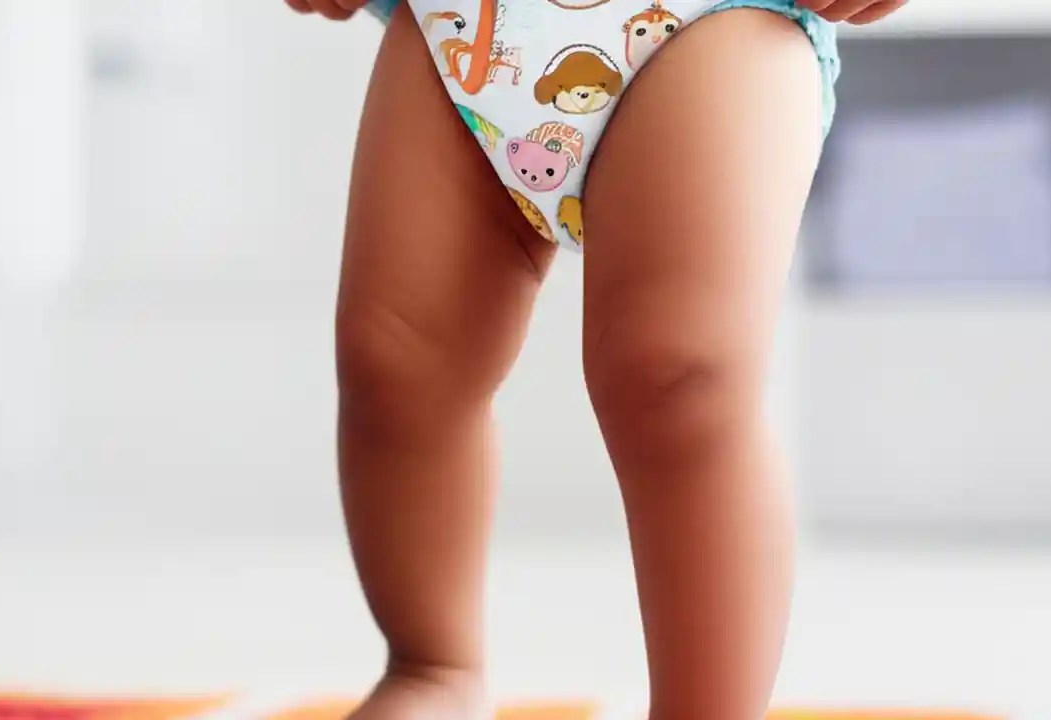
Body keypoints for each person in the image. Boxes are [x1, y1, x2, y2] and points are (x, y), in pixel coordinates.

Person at [284, 0, 904, 717]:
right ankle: (430, 667)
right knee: (395, 360)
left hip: (719, 20)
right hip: (465, 24)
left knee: (679, 373)